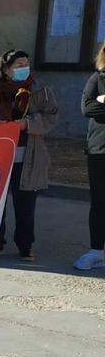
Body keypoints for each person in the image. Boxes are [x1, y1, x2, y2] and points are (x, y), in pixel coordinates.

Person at [0, 49, 57, 261]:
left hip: (28, 155)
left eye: (26, 64)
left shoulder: (40, 90)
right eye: (18, 65)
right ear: (6, 69)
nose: (23, 69)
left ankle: (25, 245)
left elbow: (51, 116)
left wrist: (27, 123)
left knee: (25, 205)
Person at [74, 41, 105, 270]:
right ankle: (97, 250)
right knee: (99, 201)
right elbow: (87, 108)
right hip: (99, 149)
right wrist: (99, 102)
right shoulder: (98, 78)